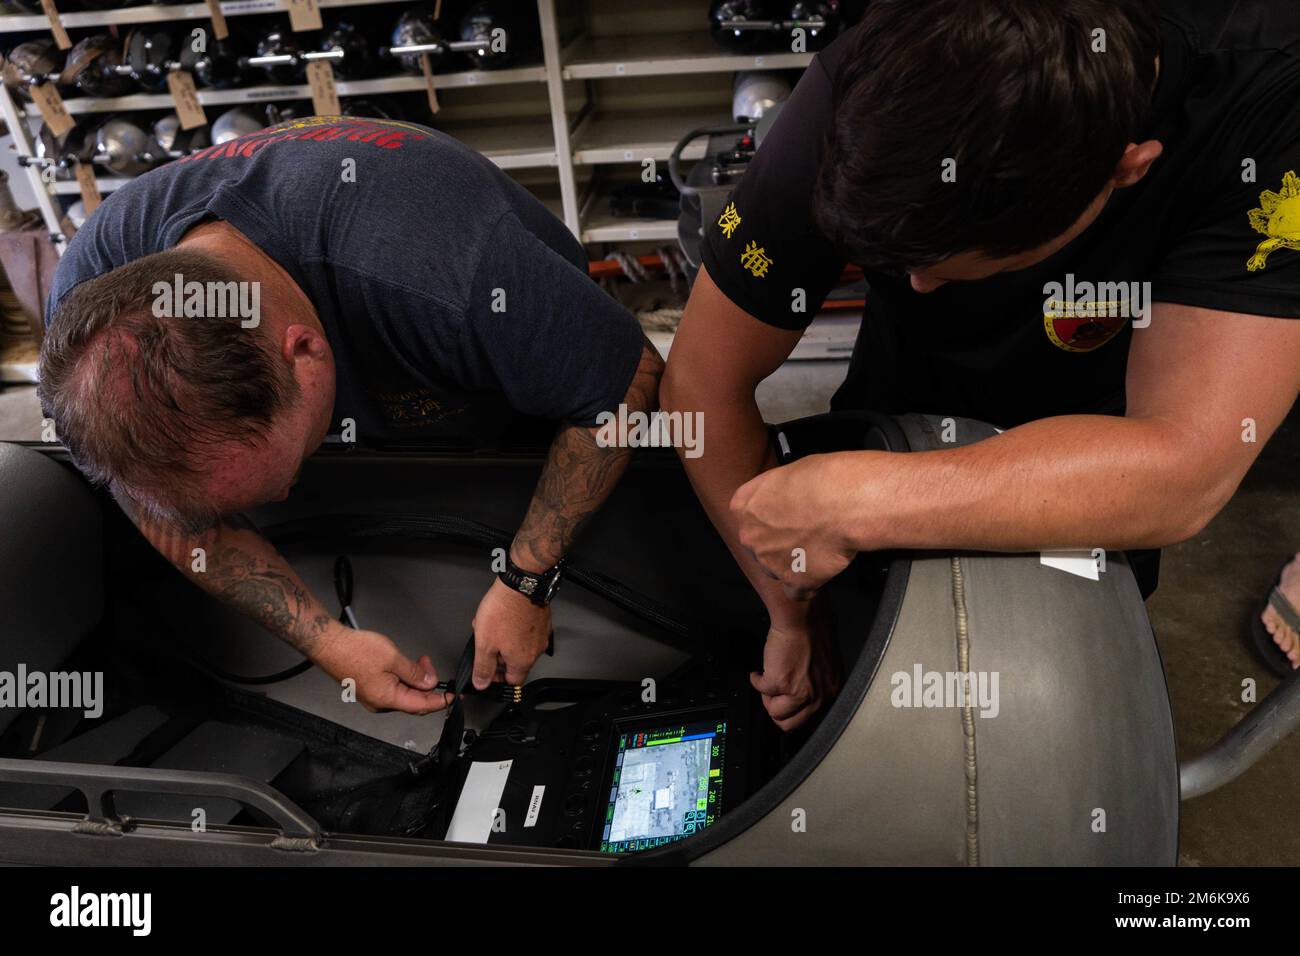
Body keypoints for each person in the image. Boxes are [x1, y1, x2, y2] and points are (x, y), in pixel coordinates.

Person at [662, 0, 1300, 730]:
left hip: (1095, 440)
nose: (916, 284)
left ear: (1126, 170)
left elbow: (1184, 468)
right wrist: (791, 608)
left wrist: (857, 500)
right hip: (904, 398)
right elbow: (701, 382)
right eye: (896, 264)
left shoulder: (1268, 102)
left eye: (948, 266)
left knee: (1052, 713)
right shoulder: (870, 80)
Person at [39, 115, 661, 714]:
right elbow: (167, 513)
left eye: (281, 472)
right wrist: (325, 641)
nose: (284, 496)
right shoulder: (88, 336)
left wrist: (527, 578)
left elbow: (624, 381)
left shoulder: (446, 266)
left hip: (503, 387)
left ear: (305, 352)